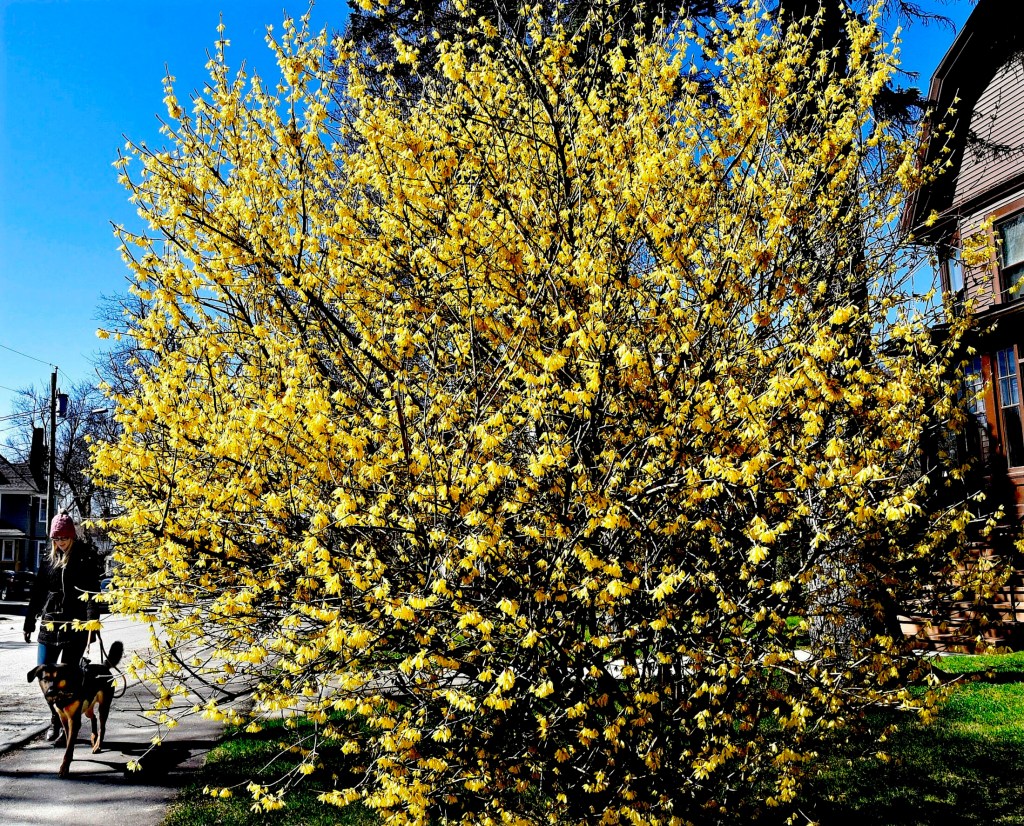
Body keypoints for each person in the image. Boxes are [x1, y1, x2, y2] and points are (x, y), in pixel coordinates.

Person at [24, 512, 102, 744]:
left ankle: (66, 723)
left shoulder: (83, 559)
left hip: (74, 626)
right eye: (56, 539)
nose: (60, 543)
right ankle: (54, 719)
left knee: (68, 679)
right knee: (44, 675)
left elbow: (92, 593)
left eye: (64, 538)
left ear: (72, 537)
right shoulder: (48, 561)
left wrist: (92, 623)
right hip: (49, 625)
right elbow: (38, 593)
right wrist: (29, 621)